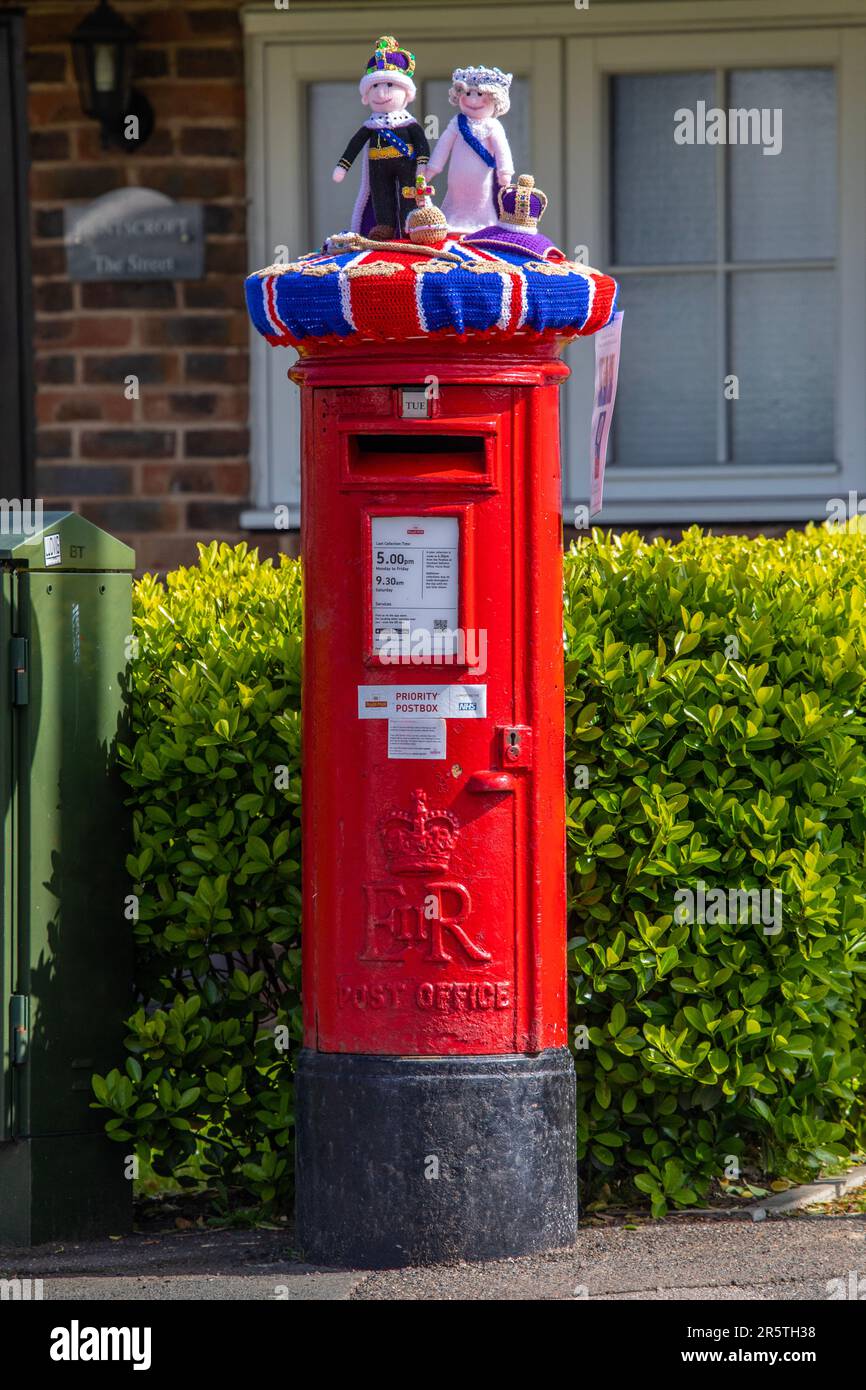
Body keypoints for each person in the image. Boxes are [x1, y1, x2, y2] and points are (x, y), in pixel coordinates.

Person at [333, 36, 430, 241]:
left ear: (405, 92)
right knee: (380, 195)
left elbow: (422, 145)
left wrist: (422, 167)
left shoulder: (409, 123)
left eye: (388, 84)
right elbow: (355, 145)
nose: (382, 92)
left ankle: (409, 225)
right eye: (375, 86)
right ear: (367, 94)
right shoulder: (370, 125)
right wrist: (343, 166)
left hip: (407, 165)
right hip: (377, 165)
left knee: (409, 194)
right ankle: (385, 225)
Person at [425, 65, 514, 236]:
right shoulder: (456, 123)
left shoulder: (493, 126)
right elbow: (443, 146)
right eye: (468, 94)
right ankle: (452, 219)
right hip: (457, 176)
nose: (473, 100)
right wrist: (432, 169)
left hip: (482, 176)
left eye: (480, 94)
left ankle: (482, 222)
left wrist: (505, 172)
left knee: (482, 196)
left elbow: (502, 150)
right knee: (456, 195)